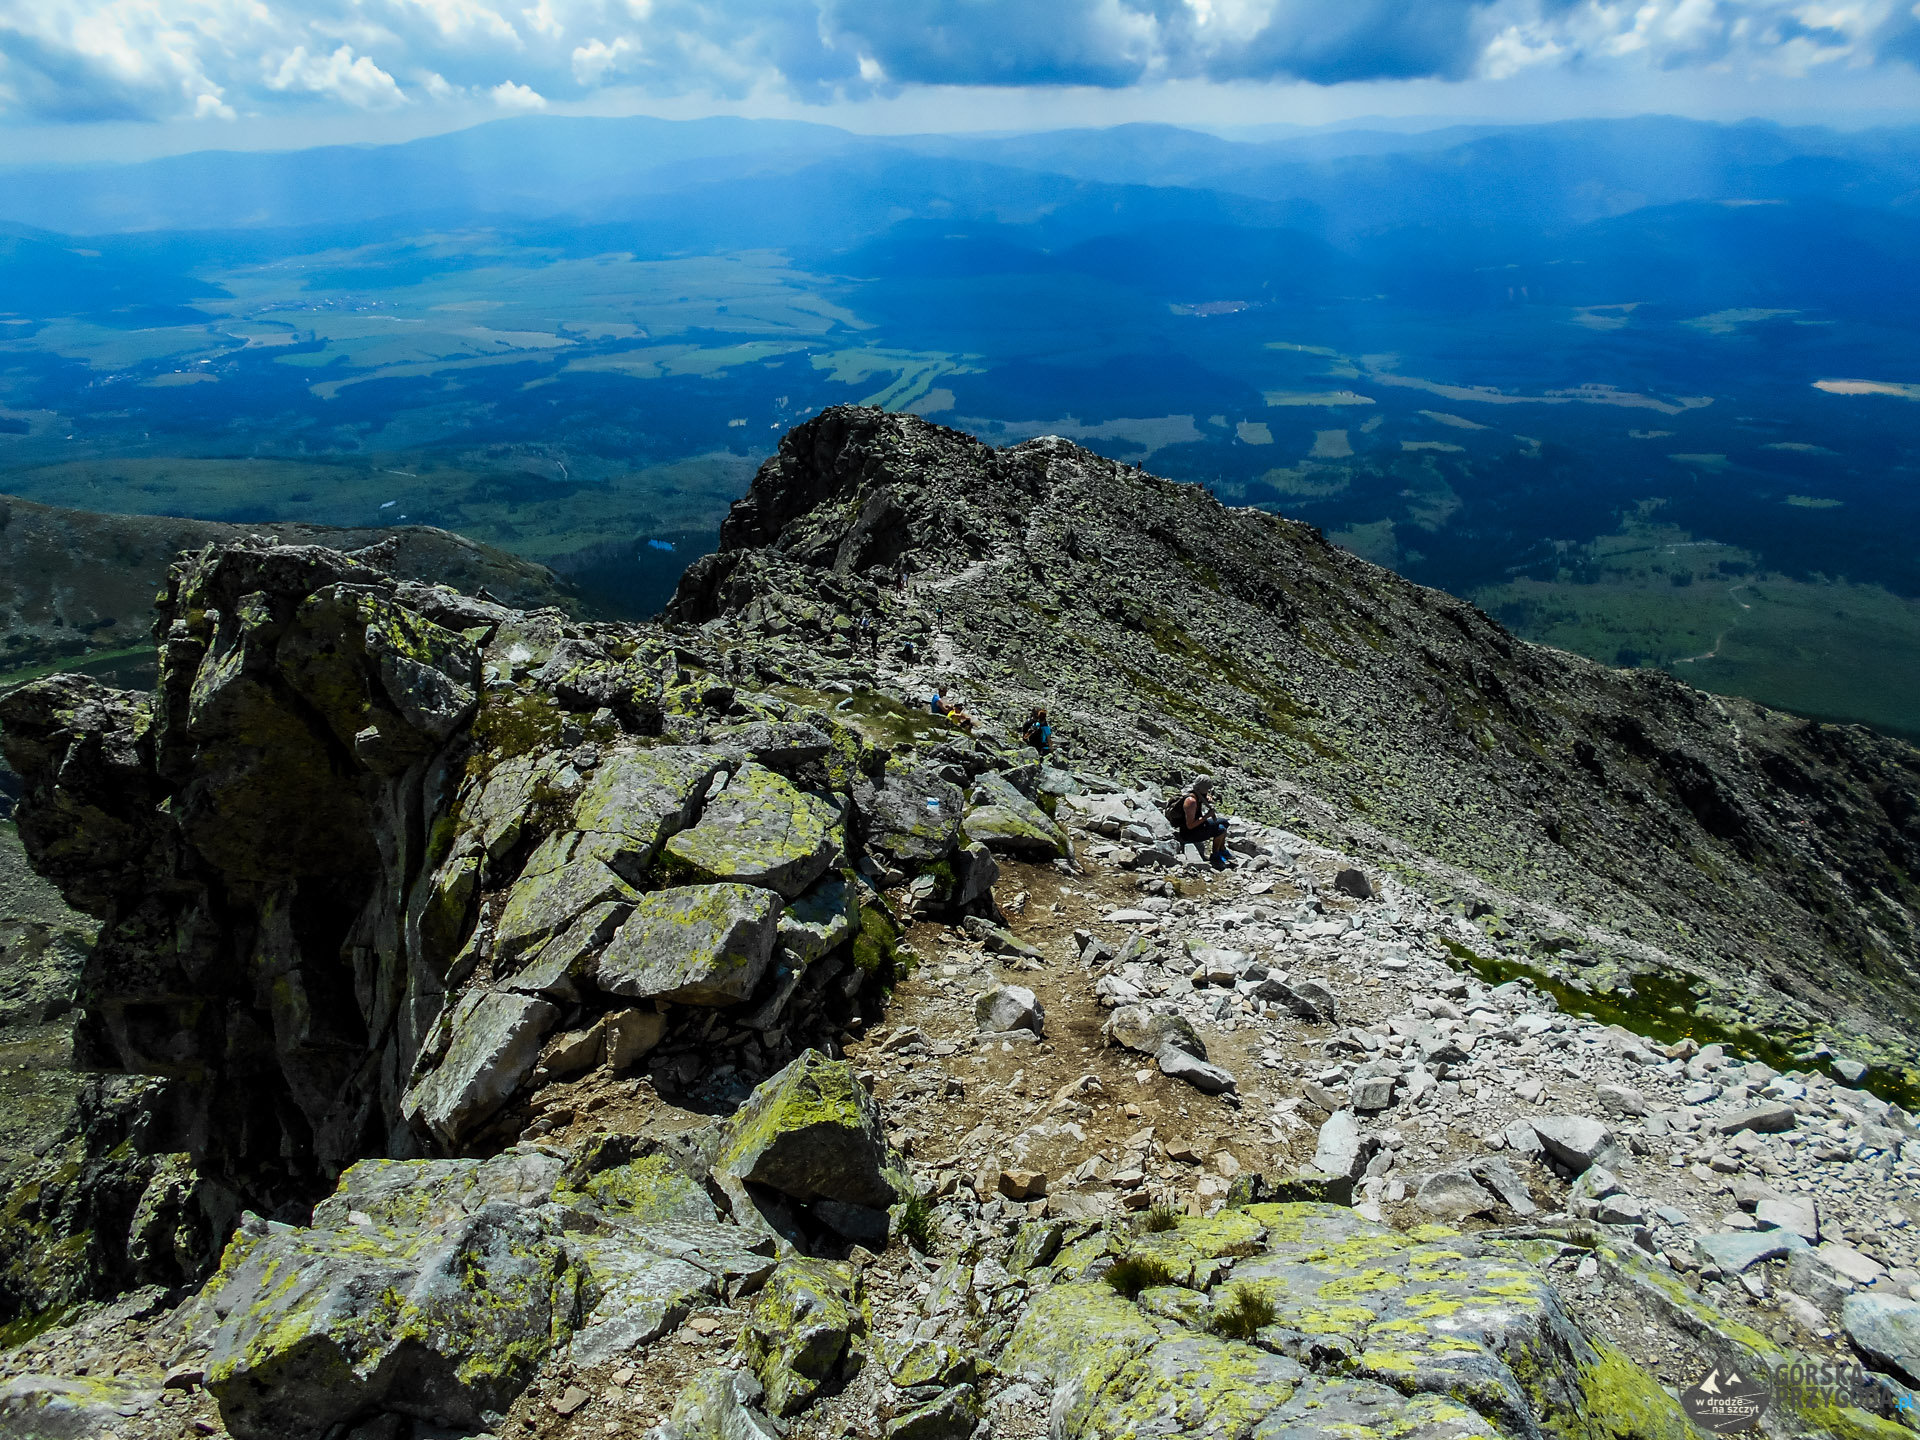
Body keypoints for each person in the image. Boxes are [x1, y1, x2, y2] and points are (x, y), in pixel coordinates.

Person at [1176, 776, 1230, 869]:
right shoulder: (1191, 801)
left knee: (1225, 822)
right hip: (1189, 834)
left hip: (1197, 827)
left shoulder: (1196, 792)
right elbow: (1190, 825)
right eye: (1207, 789)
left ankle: (1221, 849)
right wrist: (1207, 816)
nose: (1208, 791)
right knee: (1221, 829)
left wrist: (1206, 796)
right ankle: (1215, 855)